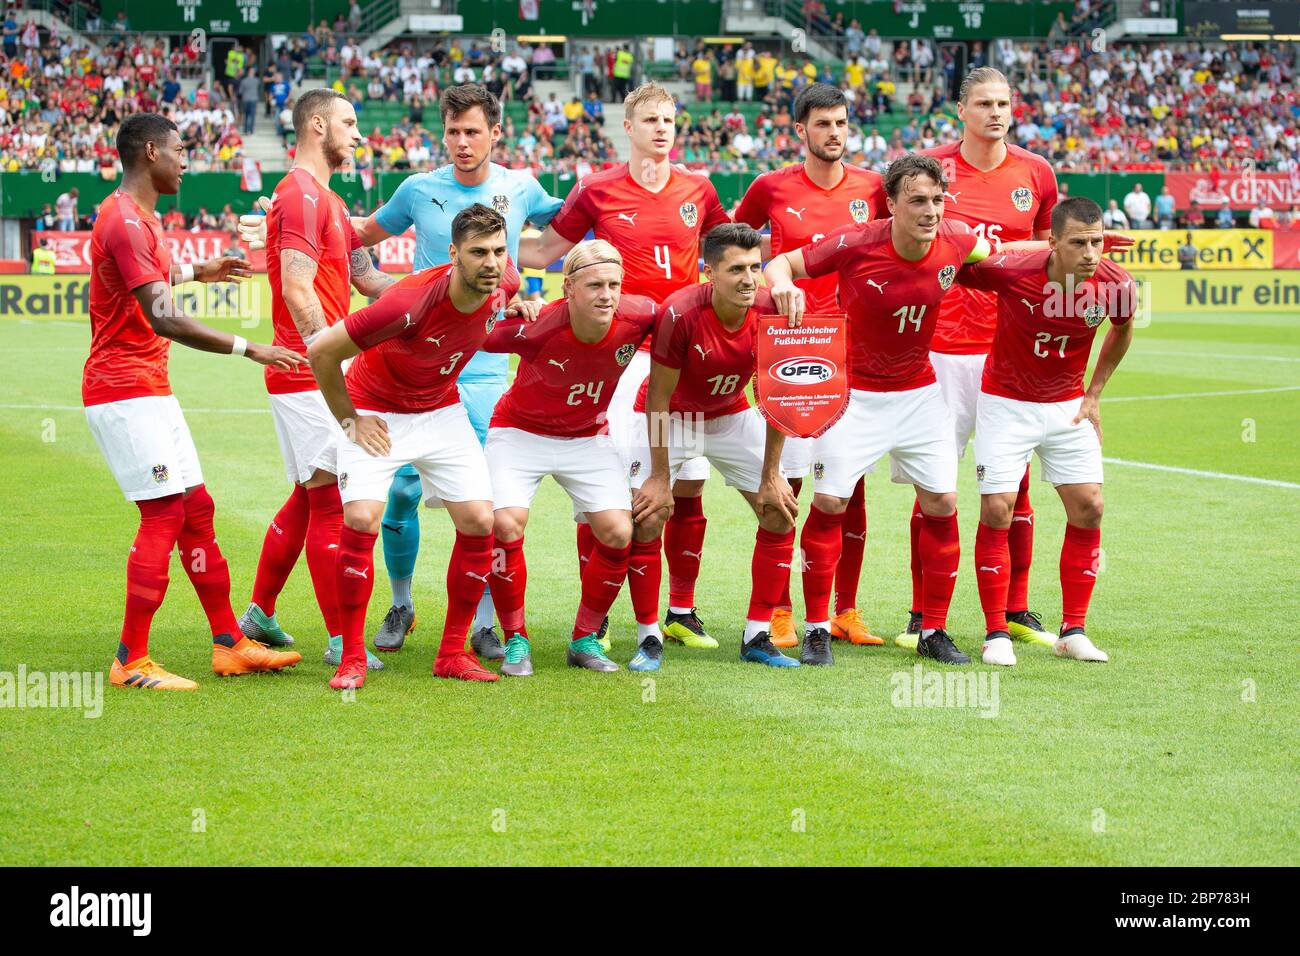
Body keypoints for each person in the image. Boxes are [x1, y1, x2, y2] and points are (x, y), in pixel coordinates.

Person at [83, 113, 303, 691]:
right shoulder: (125, 219)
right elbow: (159, 312)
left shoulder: (141, 220)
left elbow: (157, 278)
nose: (186, 161)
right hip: (123, 390)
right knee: (163, 513)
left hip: (149, 388)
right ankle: (130, 660)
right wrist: (247, 346)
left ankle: (230, 644)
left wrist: (199, 272)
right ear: (151, 151)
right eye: (180, 151)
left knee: (195, 509)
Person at [521, 82, 731, 654]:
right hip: (623, 357)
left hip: (686, 355)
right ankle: (603, 614)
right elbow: (540, 253)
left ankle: (681, 612)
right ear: (629, 128)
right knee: (615, 491)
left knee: (687, 485)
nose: (662, 129)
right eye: (651, 120)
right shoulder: (597, 189)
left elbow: (730, 253)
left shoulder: (699, 190)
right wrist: (474, 238)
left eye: (670, 120)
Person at [763, 154, 989, 665]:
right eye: (917, 201)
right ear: (890, 204)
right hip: (855, 398)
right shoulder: (856, 241)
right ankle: (819, 627)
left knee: (942, 506)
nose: (930, 211)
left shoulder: (957, 238)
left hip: (920, 395)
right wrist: (782, 284)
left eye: (937, 200)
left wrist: (1062, 249)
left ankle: (933, 630)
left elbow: (1003, 255)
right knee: (830, 505)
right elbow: (782, 262)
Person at [306, 204, 527, 689]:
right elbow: (321, 351)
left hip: (440, 410)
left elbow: (512, 289)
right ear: (453, 254)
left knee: (479, 521)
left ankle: (451, 654)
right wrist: (350, 421)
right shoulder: (405, 303)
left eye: (497, 251)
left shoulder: (505, 281)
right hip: (377, 409)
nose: (491, 263)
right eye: (477, 253)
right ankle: (352, 658)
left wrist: (520, 304)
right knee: (362, 517)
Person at [237, 89, 395, 675]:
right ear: (318, 124)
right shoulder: (301, 195)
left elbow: (368, 279)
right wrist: (329, 359)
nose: (359, 135)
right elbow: (298, 289)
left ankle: (258, 613)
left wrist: (446, 290)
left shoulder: (322, 197)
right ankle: (338, 638)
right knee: (332, 497)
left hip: (313, 369)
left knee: (309, 495)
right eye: (350, 123)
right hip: (309, 374)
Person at [906, 66, 1060, 650]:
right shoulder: (929, 171)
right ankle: (923, 614)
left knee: (1014, 486)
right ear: (961, 110)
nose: (997, 112)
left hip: (1009, 350)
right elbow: (914, 242)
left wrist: (991, 249)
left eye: (1004, 103)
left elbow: (1049, 252)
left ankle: (1015, 608)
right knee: (934, 485)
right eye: (984, 103)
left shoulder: (1035, 172)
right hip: (941, 349)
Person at [734, 82, 889, 649]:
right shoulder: (770, 188)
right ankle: (777, 610)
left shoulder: (874, 188)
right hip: (788, 350)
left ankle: (845, 610)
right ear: (800, 130)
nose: (834, 133)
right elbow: (734, 246)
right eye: (823, 124)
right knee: (785, 480)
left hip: (852, 351)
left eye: (842, 123)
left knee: (849, 487)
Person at [957, 197, 1136, 665]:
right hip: (1006, 404)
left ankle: (1073, 630)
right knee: (998, 509)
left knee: (1090, 507)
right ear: (1052, 241)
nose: (1091, 253)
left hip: (1067, 408)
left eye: (1097, 242)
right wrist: (1018, 246)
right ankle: (996, 632)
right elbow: (954, 260)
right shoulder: (1013, 270)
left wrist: (1094, 393)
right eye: (1079, 243)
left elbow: (1123, 328)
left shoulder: (1117, 284)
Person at [630, 224, 800, 669]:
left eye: (755, 268)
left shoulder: (770, 310)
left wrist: (771, 475)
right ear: (709, 272)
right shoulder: (679, 313)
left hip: (730, 414)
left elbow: (778, 396)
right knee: (650, 516)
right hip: (676, 417)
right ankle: (649, 636)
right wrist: (661, 477)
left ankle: (757, 636)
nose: (749, 279)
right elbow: (659, 400)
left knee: (779, 511)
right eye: (736, 269)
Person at [482, 241, 656, 675]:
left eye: (614, 284)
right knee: (505, 524)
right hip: (519, 433)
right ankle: (515, 638)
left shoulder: (639, 317)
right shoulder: (537, 326)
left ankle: (584, 639)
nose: (607, 295)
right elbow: (476, 335)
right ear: (569, 288)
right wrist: (503, 307)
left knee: (618, 532)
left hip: (586, 436)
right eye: (595, 285)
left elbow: (684, 318)